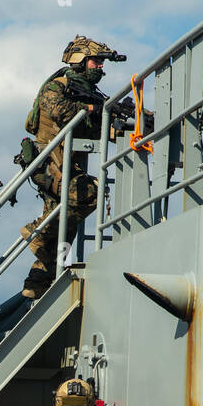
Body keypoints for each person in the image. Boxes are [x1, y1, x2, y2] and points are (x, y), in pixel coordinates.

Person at [20, 36, 122, 299]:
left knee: (67, 225)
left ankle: (37, 284)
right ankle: (36, 231)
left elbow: (97, 128)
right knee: (88, 195)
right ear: (78, 62)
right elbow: (61, 112)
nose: (100, 66)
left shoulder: (90, 93)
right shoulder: (57, 87)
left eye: (101, 62)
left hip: (67, 165)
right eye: (95, 61)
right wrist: (93, 108)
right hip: (49, 164)